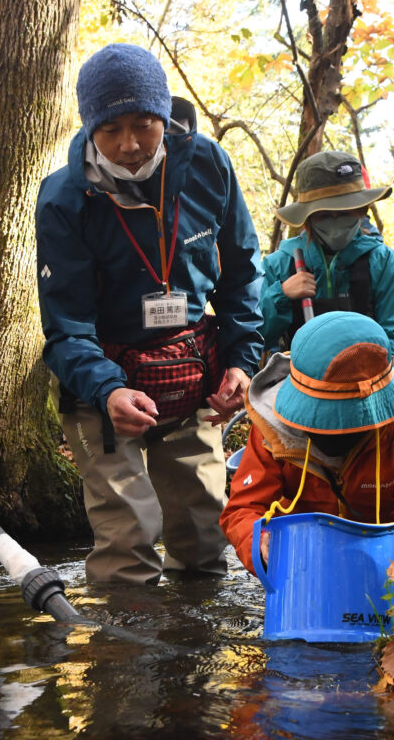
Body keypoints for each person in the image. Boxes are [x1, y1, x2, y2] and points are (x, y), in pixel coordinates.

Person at [36, 43, 263, 587]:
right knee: (129, 539)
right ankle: (125, 640)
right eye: (111, 129)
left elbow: (242, 274)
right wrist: (107, 389)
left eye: (143, 124)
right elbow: (66, 328)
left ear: (165, 116)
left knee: (205, 537)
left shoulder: (208, 165)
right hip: (102, 386)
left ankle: (195, 640)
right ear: (90, 127)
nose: (130, 144)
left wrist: (241, 362)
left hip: (191, 376)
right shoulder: (64, 199)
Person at [221, 311, 394, 573]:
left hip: (385, 564)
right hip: (300, 564)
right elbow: (243, 509)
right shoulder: (272, 429)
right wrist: (259, 543)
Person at [261, 150, 394, 359]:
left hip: (368, 375)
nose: (335, 221)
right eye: (324, 215)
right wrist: (281, 294)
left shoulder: (385, 264)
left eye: (344, 213)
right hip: (297, 376)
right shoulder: (279, 265)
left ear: (362, 210)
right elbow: (257, 335)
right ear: (307, 218)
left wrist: (355, 365)